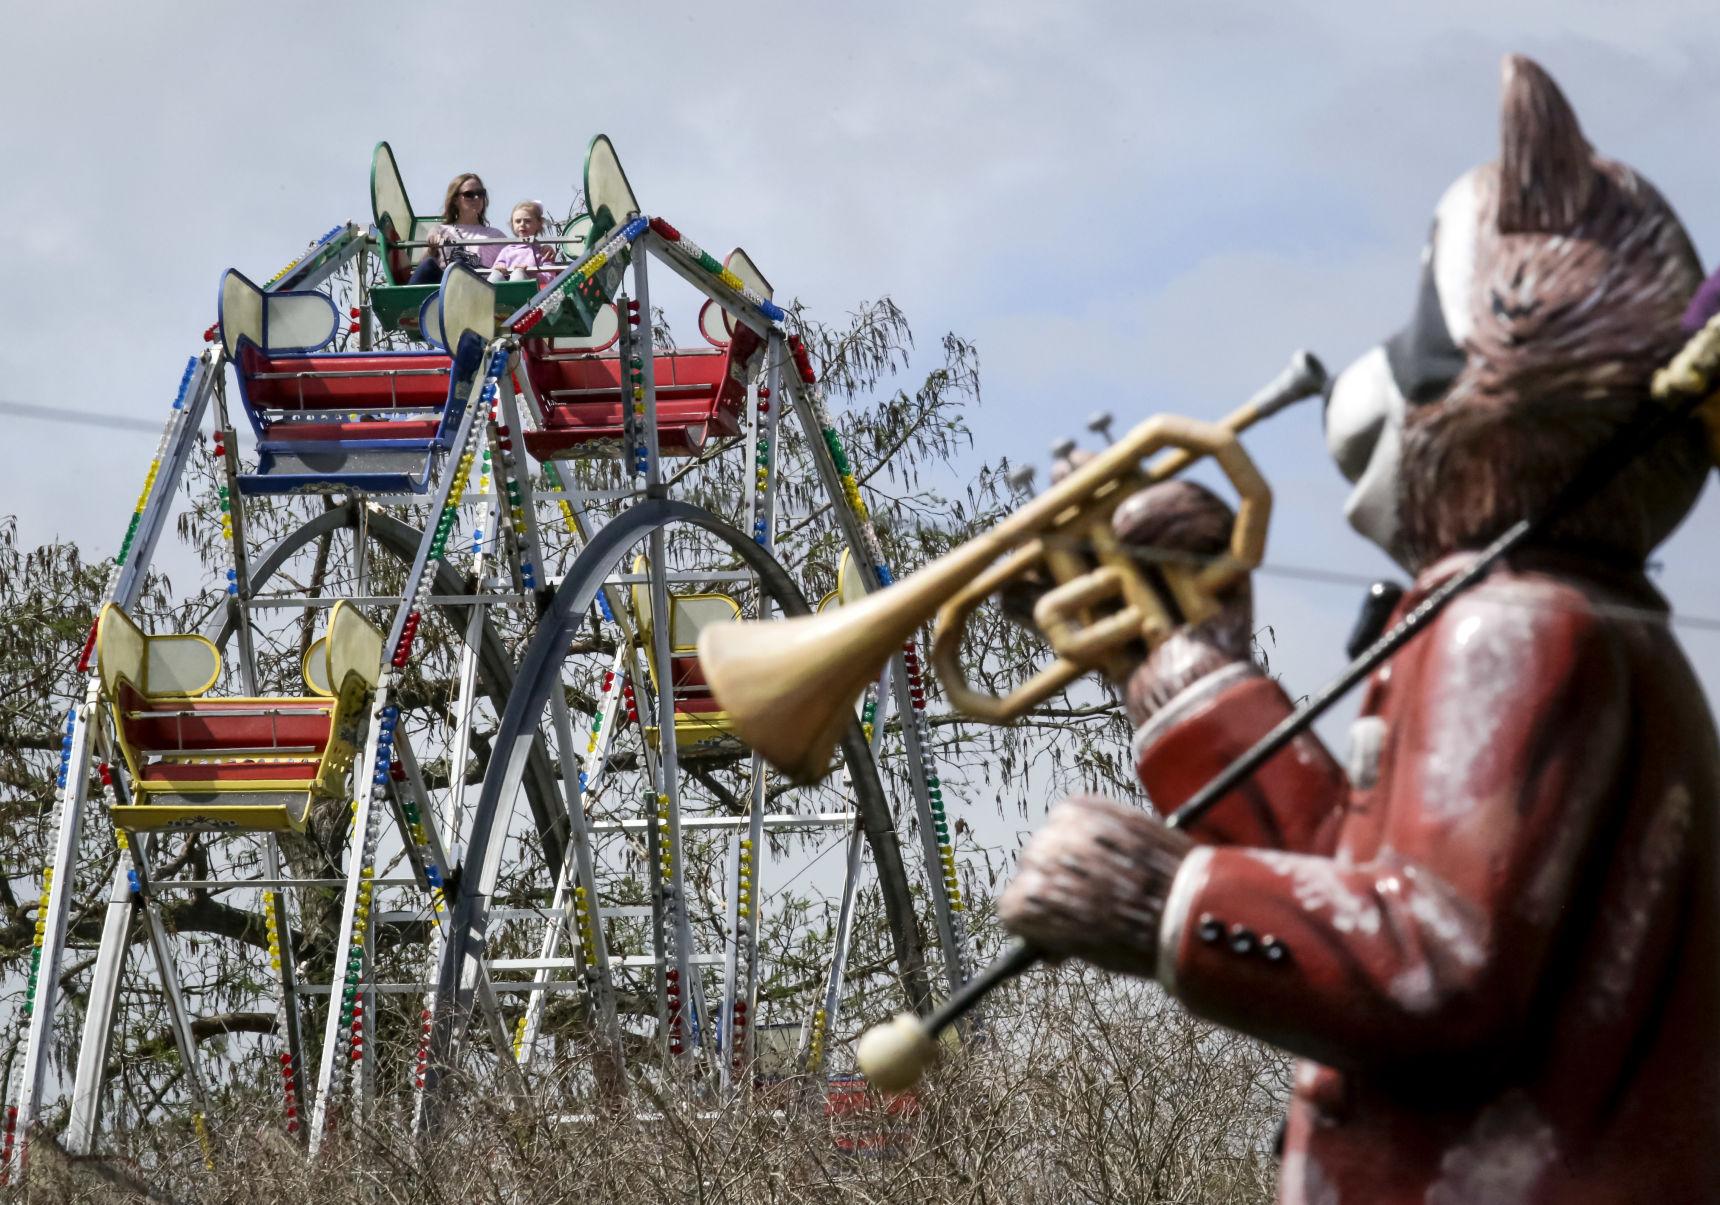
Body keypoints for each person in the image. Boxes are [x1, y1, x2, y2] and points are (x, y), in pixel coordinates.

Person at [998, 56, 1720, 1203]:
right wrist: (1183, 662)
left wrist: (1168, 901)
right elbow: (1355, 870)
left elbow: (1438, 961)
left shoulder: (1516, 628)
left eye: (1421, 324)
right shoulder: (1555, 617)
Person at [407, 173, 507, 284]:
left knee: (461, 266)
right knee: (429, 264)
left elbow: (511, 262)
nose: (477, 198)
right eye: (469, 194)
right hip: (444, 286)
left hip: (479, 287)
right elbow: (422, 267)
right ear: (455, 200)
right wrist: (432, 248)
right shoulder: (440, 230)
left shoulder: (496, 235)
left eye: (480, 193)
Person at [489, 200, 563, 287]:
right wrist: (500, 268)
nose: (522, 224)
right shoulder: (507, 250)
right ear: (512, 224)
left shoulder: (542, 252)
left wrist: (531, 273)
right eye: (518, 221)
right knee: (495, 275)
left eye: (527, 221)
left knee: (518, 274)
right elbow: (498, 265)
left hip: (531, 291)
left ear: (539, 224)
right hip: (505, 287)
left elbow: (549, 277)